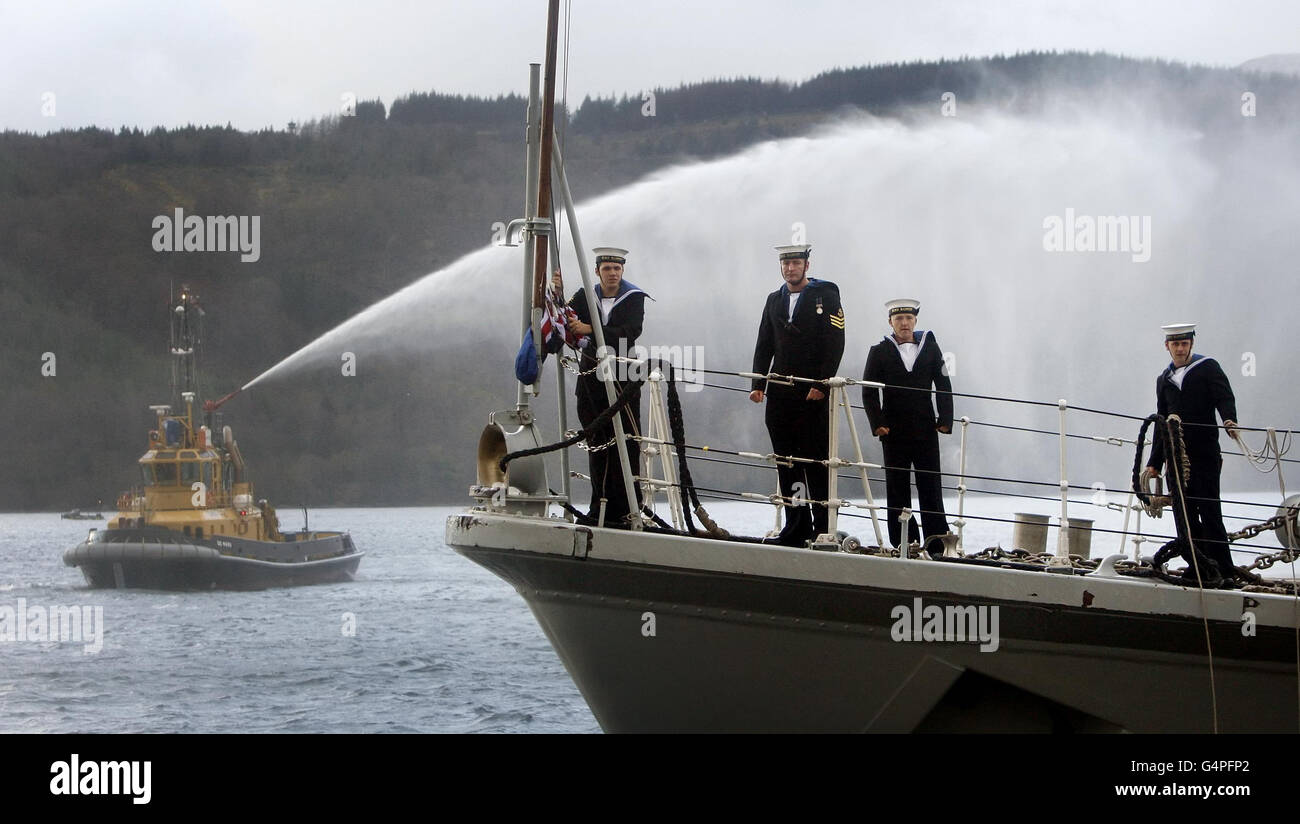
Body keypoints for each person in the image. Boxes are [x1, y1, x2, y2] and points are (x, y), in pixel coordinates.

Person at [749, 244, 845, 547]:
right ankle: (796, 524)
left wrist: (822, 383)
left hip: (811, 392)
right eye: (786, 264)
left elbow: (835, 342)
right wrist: (758, 383)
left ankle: (822, 527)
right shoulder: (773, 300)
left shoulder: (826, 296)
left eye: (796, 263)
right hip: (780, 391)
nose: (790, 268)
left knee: (815, 461)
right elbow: (764, 342)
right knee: (786, 460)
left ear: (806, 265)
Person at [553, 247, 650, 527]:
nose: (613, 274)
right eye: (607, 269)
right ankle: (599, 506)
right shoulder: (586, 295)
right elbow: (566, 319)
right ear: (597, 271)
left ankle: (627, 507)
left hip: (622, 375)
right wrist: (557, 293)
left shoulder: (634, 298)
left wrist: (590, 330)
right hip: (591, 377)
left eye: (617, 269)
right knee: (597, 442)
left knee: (626, 441)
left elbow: (631, 331)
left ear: (623, 271)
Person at [1142, 323, 1240, 583]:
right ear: (1167, 347)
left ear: (1191, 344)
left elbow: (1224, 397)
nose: (1180, 348)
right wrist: (1154, 462)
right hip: (1176, 457)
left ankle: (1223, 568)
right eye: (1175, 344)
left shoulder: (1208, 368)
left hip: (1205, 452)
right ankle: (1197, 565)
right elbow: (1163, 422)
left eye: (1184, 344)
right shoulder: (1164, 380)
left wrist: (1229, 419)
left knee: (1209, 509)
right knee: (1184, 513)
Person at [861, 299, 954, 556]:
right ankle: (904, 541)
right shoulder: (879, 350)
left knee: (930, 485)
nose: (904, 323)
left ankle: (936, 542)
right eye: (899, 319)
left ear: (915, 321)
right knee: (897, 486)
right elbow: (868, 391)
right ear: (890, 322)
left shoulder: (932, 348)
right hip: (893, 430)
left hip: (926, 427)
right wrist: (877, 423)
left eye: (909, 319)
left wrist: (945, 419)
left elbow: (943, 384)